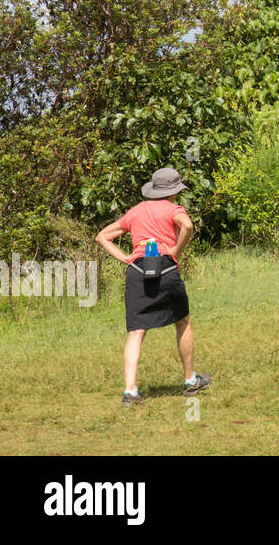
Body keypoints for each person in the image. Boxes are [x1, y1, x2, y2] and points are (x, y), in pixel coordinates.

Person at [95, 167, 211, 407]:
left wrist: (126, 257)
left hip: (137, 271)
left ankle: (130, 392)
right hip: (166, 268)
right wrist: (176, 250)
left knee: (136, 331)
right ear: (174, 192)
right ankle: (191, 381)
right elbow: (187, 225)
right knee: (182, 321)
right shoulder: (174, 209)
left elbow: (102, 236)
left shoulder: (136, 211)